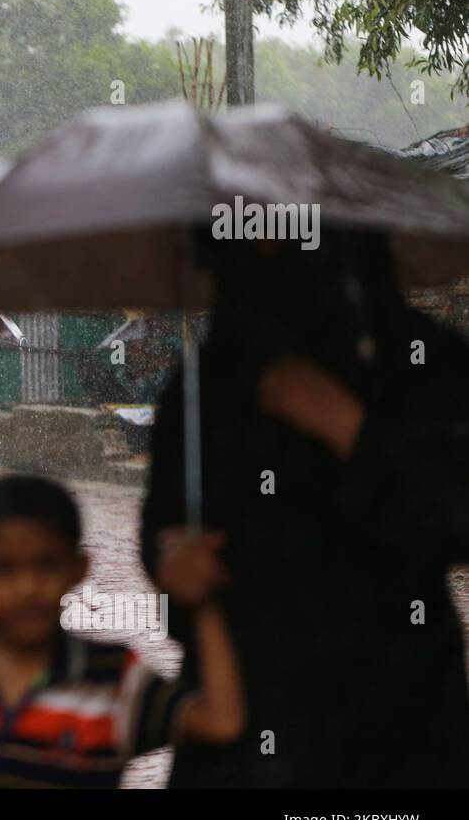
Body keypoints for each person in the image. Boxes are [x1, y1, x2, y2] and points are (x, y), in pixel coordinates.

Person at [141, 228, 469, 787]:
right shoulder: (204, 387)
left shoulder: (426, 367)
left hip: (396, 726)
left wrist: (348, 428)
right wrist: (172, 563)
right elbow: (163, 524)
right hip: (245, 712)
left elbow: (456, 518)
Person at [0, 475, 244, 788]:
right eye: (4, 568)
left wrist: (205, 603)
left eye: (47, 565)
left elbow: (221, 723)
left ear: (78, 569)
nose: (27, 588)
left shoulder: (114, 677)